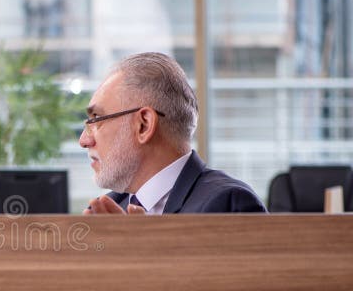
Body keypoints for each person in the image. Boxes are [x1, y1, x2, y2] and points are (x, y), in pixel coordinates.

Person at [79, 52, 266, 214]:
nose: (84, 140)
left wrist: (139, 248)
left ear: (144, 125)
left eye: (96, 119)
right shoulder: (111, 207)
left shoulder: (229, 204)